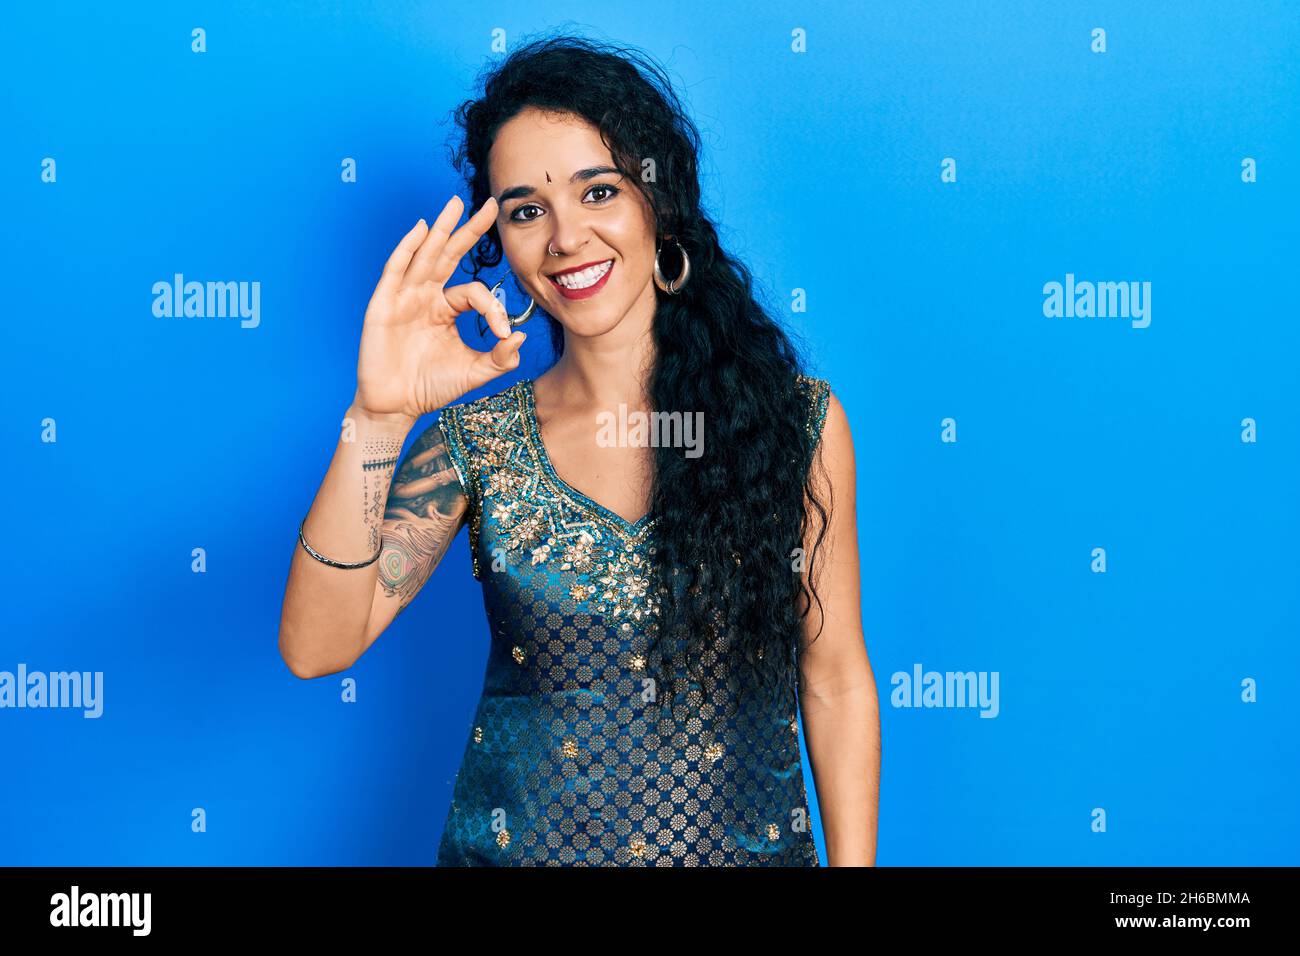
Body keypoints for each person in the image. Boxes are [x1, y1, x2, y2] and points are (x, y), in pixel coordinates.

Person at [278, 34, 880, 866]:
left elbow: (836, 675)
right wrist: (377, 418)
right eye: (526, 210)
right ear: (505, 245)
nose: (565, 237)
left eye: (599, 191)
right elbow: (317, 648)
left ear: (657, 204)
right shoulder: (476, 447)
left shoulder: (794, 424)